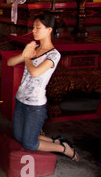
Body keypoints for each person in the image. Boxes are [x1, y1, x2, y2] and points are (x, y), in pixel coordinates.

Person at [7, 14, 78, 161]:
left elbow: (34, 72)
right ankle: (55, 140)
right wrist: (25, 55)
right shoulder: (35, 49)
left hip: (35, 106)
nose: (34, 31)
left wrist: (26, 57)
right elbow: (10, 63)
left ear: (49, 30)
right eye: (33, 27)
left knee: (29, 143)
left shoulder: (53, 55)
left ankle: (64, 149)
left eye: (38, 27)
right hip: (21, 100)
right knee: (17, 136)